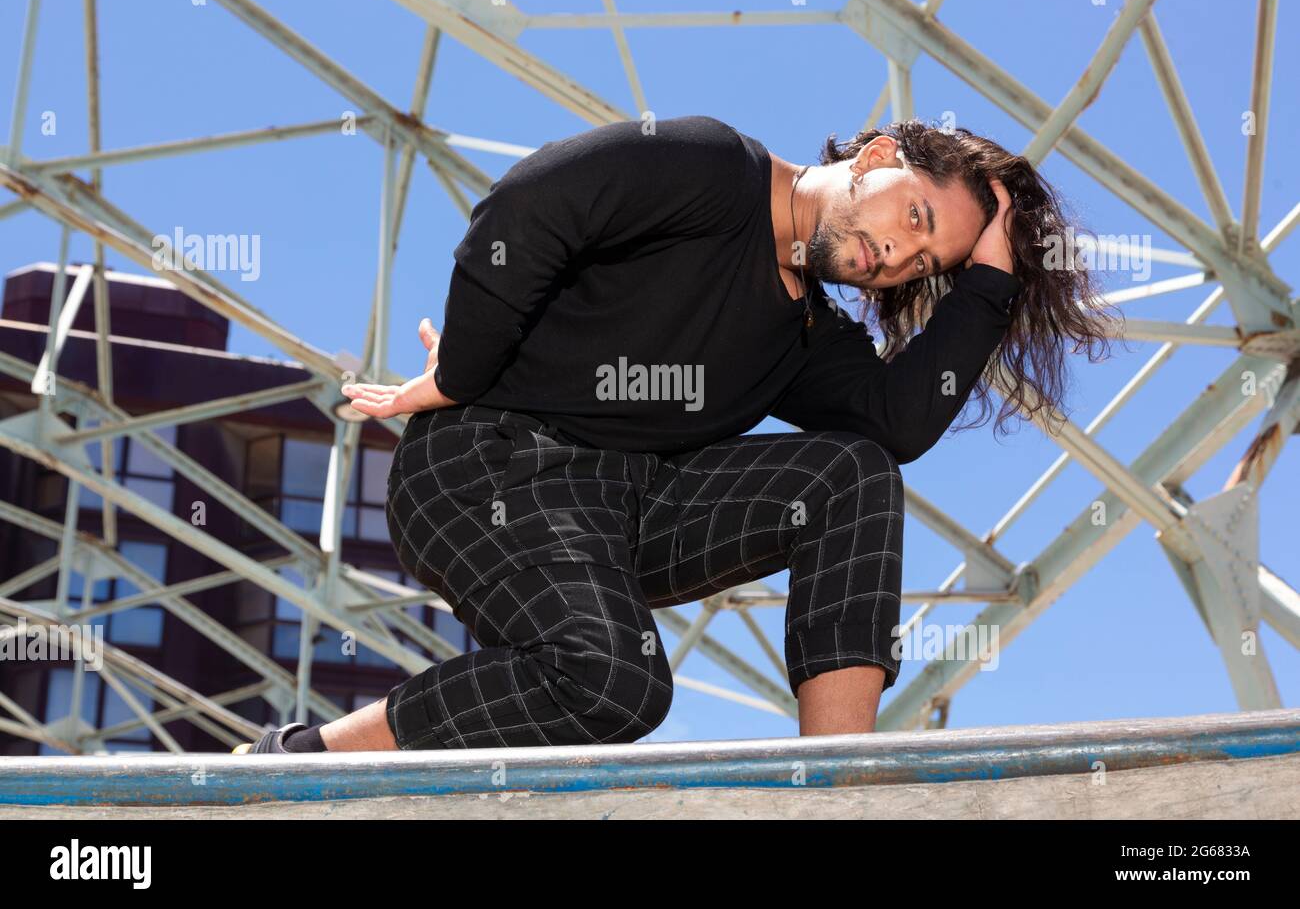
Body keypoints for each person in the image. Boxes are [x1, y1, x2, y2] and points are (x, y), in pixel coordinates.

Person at [233, 115, 1113, 754]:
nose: (899, 256)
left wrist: (988, 287)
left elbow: (898, 423)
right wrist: (461, 373)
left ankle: (838, 782)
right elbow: (529, 208)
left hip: (626, 510)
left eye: (926, 263)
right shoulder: (711, 167)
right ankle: (307, 758)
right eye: (914, 219)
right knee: (618, 684)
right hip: (488, 464)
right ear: (877, 156)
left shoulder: (809, 337)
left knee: (854, 476)